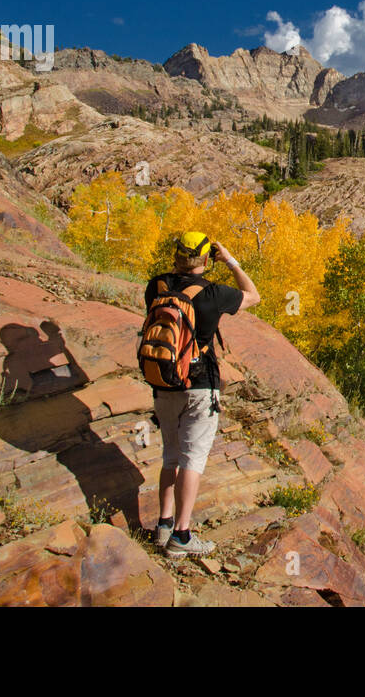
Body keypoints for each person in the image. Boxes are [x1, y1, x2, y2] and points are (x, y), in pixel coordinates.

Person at [145, 231, 260, 558]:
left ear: (177, 255)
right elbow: (253, 296)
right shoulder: (214, 293)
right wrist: (231, 261)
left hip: (164, 381)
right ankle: (181, 536)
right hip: (199, 384)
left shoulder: (158, 286)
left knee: (170, 454)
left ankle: (164, 524)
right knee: (192, 459)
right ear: (207, 258)